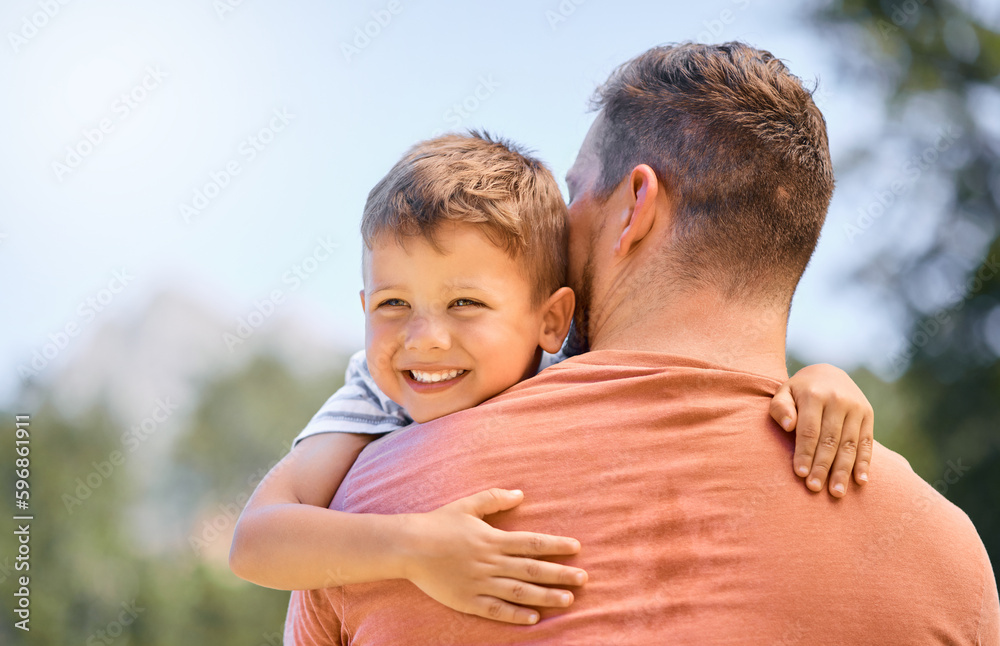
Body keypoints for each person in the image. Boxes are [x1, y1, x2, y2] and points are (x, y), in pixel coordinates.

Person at [282, 42, 1000, 644]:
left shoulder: (375, 506)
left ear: (635, 206)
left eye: (576, 192)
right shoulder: (946, 560)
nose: (558, 228)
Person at [229, 131, 875, 625]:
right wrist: (414, 547)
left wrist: (819, 381)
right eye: (393, 304)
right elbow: (256, 541)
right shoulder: (372, 397)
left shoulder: (571, 373)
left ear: (551, 320)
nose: (423, 338)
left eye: (465, 304)